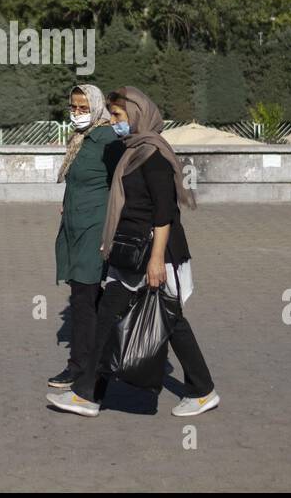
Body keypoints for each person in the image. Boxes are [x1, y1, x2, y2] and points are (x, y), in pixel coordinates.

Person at [47, 86, 219, 418]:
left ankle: (202, 390)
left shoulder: (152, 155)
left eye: (118, 116)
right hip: (130, 250)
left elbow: (163, 212)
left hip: (155, 253)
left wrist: (156, 260)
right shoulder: (132, 150)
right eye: (111, 115)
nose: (113, 122)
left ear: (136, 116)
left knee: (170, 322)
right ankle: (88, 394)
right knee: (112, 319)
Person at [49, 84, 124, 391]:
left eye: (83, 108)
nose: (77, 113)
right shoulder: (80, 138)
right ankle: (101, 362)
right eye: (73, 107)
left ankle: (81, 367)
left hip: (95, 230)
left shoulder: (107, 139)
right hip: (75, 227)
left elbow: (121, 185)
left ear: (95, 107)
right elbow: (78, 179)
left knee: (84, 296)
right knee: (87, 297)